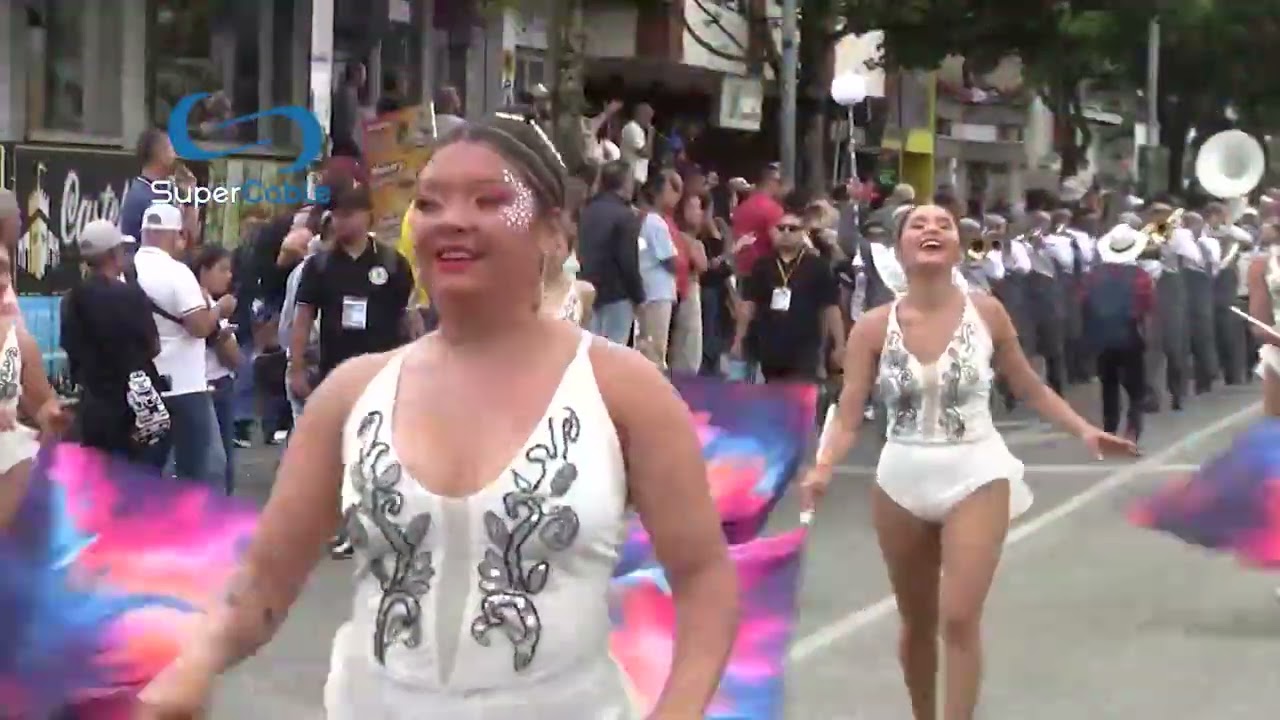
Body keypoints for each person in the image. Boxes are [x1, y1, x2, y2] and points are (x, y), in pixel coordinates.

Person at [136, 112, 738, 719]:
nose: (452, 219)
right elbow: (263, 582)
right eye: (430, 202)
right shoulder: (352, 394)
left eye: (488, 200)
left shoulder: (621, 391)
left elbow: (704, 577)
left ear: (554, 232)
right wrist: (196, 663)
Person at [800, 203, 1136, 720]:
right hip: (900, 478)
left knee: (957, 618)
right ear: (898, 248)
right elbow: (847, 417)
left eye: (944, 225)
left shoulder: (988, 312)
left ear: (957, 247)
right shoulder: (870, 327)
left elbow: (1028, 386)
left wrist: (1085, 431)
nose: (932, 229)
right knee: (916, 622)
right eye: (918, 224)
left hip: (977, 472)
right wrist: (823, 467)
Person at [133, 204, 234, 485]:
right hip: (186, 388)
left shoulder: (128, 270)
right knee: (203, 469)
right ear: (177, 235)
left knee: (150, 472)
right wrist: (220, 310)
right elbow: (200, 327)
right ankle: (199, 527)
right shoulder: (177, 273)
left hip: (143, 387)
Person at [60, 221, 169, 464]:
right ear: (113, 253)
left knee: (99, 482)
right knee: (139, 480)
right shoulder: (131, 295)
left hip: (94, 408)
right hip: (135, 408)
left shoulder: (72, 299)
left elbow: (71, 348)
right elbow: (153, 346)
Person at [1083, 224, 1154, 444]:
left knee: (1109, 385)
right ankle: (1132, 429)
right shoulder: (1141, 276)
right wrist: (1148, 336)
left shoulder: (1094, 275)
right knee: (1135, 387)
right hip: (1130, 332)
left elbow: (1084, 302)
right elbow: (1148, 307)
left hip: (1102, 334)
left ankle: (1110, 429)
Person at [193, 245, 242, 495]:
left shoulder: (212, 304)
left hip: (222, 383)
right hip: (206, 386)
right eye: (222, 270)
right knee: (215, 464)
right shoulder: (200, 305)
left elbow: (235, 359)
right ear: (204, 270)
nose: (228, 276)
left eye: (230, 270)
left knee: (224, 462)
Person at [577, 160, 643, 343]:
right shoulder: (625, 215)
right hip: (617, 294)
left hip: (589, 288)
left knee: (590, 348)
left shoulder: (588, 210)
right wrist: (638, 296)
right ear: (624, 183)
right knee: (613, 350)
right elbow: (628, 259)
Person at [540, 215, 596, 327]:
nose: (550, 253)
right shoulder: (521, 295)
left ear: (569, 252)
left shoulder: (583, 291)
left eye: (558, 246)